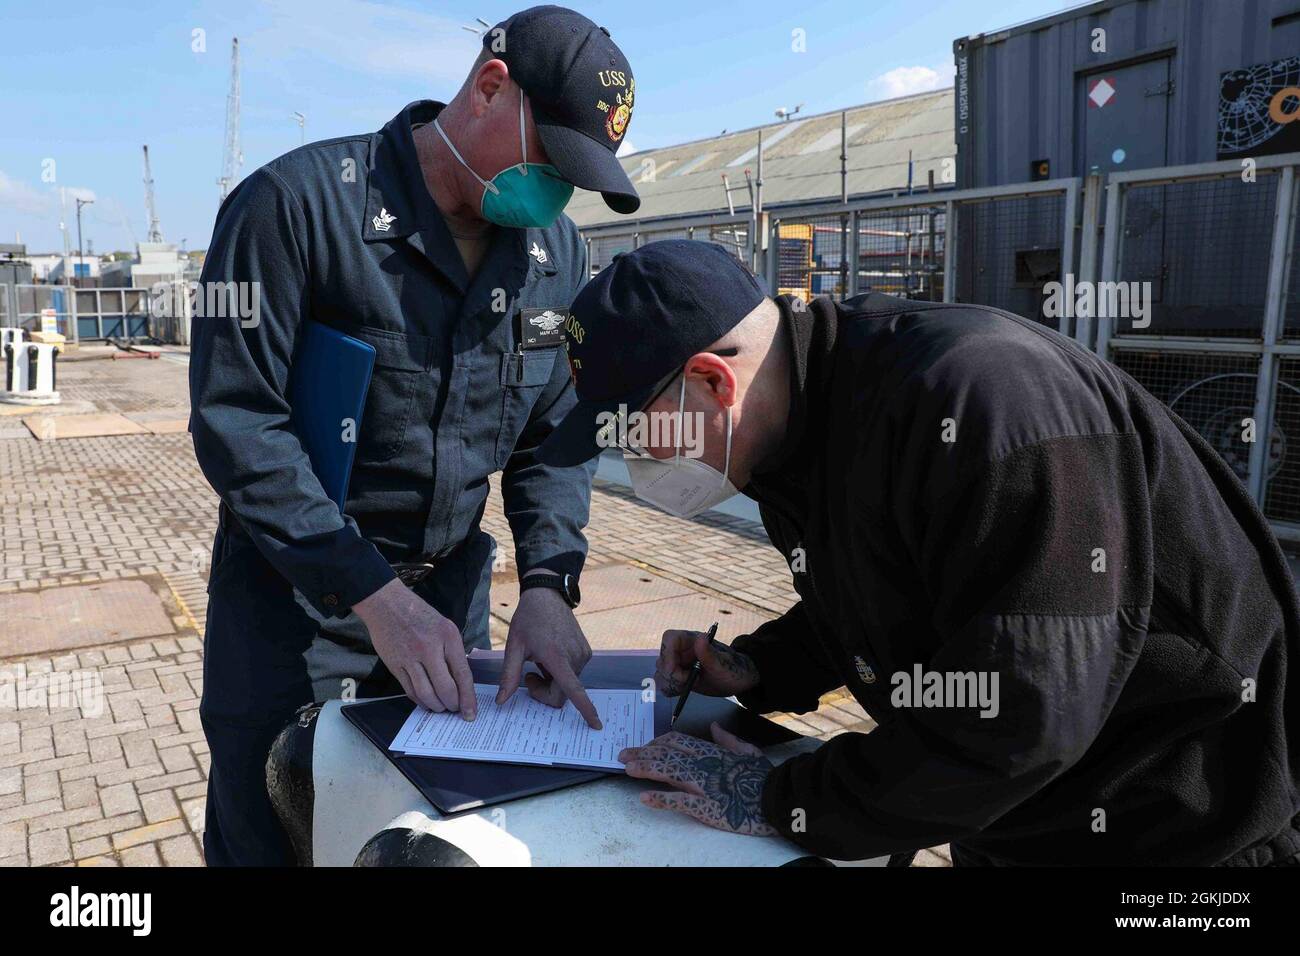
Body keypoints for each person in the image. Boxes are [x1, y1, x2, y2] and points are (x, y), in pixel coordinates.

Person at [537, 239, 1300, 866]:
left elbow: (1022, 707)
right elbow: (892, 584)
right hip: (1011, 815)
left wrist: (787, 798)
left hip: (1179, 827)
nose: (632, 459)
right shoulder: (796, 421)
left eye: (634, 432)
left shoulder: (984, 398)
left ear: (711, 382)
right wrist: (767, 666)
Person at [189, 5, 639, 866]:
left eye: (571, 179)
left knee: (414, 844)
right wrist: (372, 594)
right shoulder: (294, 209)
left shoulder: (556, 252)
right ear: (489, 86)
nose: (552, 191)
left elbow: (553, 437)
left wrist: (548, 582)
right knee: (276, 840)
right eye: (548, 159)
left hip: (446, 625)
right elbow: (237, 423)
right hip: (297, 617)